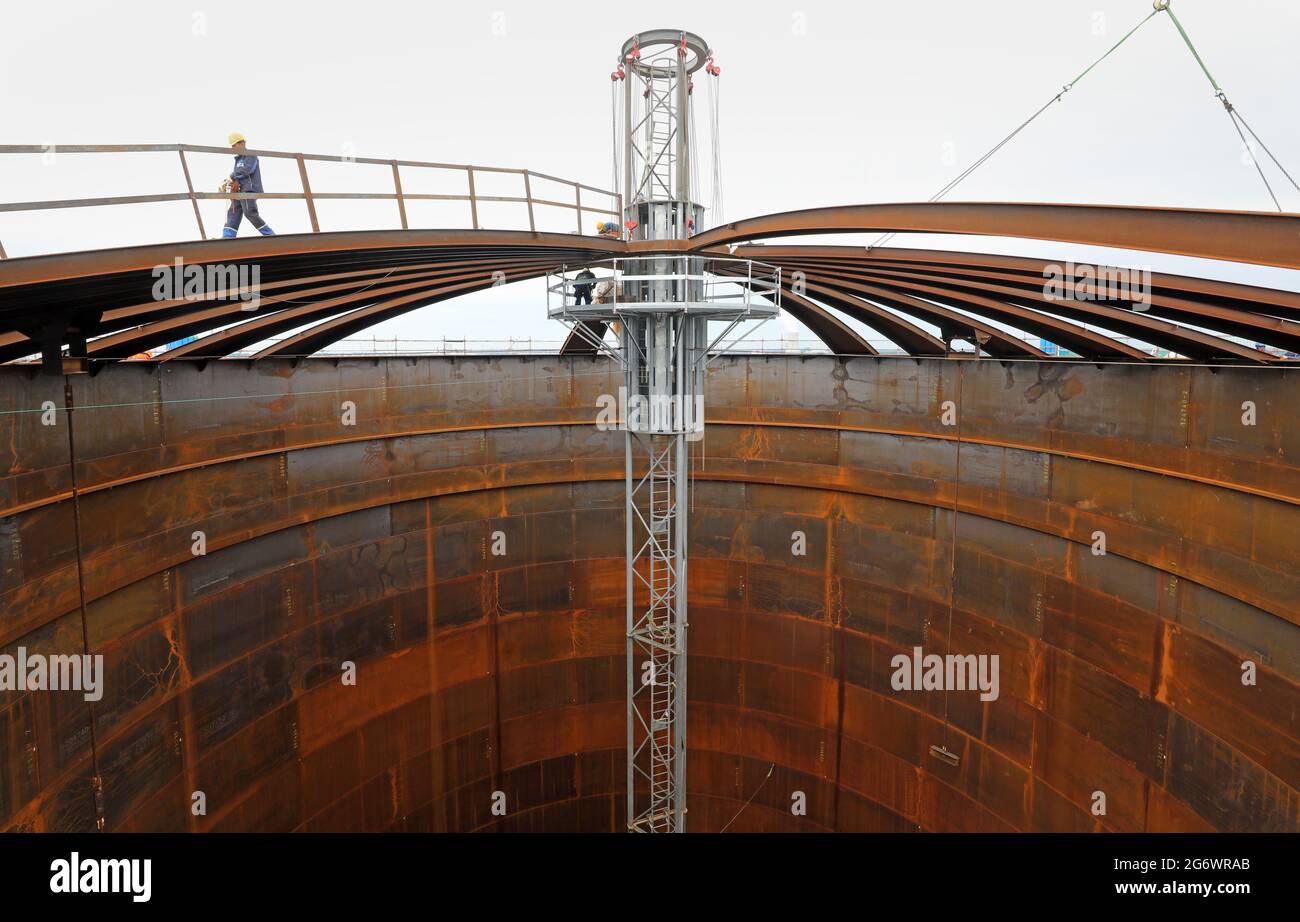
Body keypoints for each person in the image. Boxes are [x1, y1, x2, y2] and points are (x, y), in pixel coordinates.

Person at [221, 132, 275, 237]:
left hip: (249, 189)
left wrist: (233, 177)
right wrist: (231, 181)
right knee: (234, 211)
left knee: (250, 213)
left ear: (242, 143)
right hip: (240, 190)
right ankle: (227, 236)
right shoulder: (238, 159)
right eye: (232, 146)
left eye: (234, 145)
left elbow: (247, 170)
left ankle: (270, 235)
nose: (232, 148)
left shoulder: (251, 155)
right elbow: (238, 173)